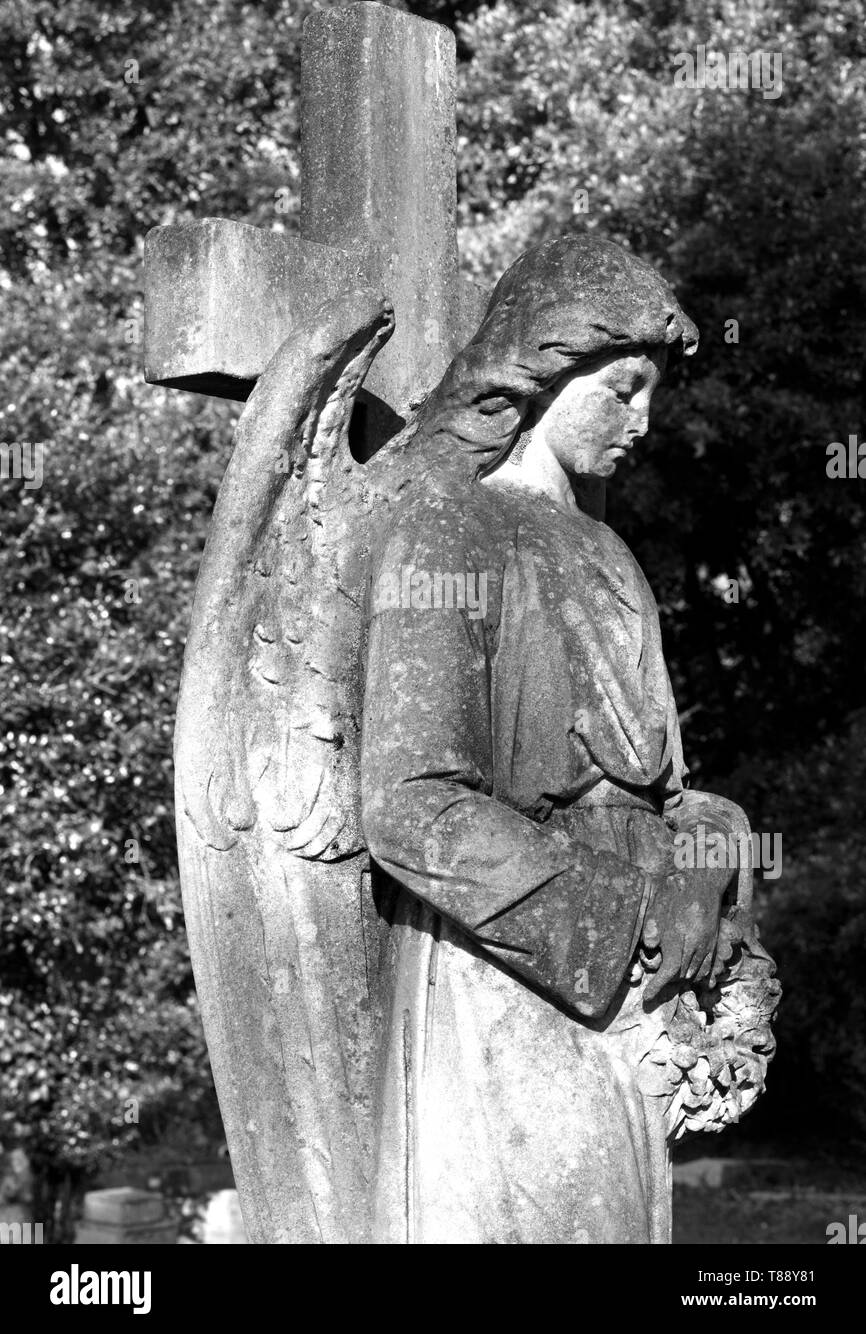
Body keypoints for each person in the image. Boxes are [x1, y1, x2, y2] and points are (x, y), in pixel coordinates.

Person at [360, 233, 739, 1243]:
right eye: (622, 387)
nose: (642, 420)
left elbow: (669, 796)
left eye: (652, 392)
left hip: (627, 1012)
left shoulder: (612, 557)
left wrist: (701, 874)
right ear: (544, 367)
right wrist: (627, 919)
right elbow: (408, 803)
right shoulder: (450, 530)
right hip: (508, 991)